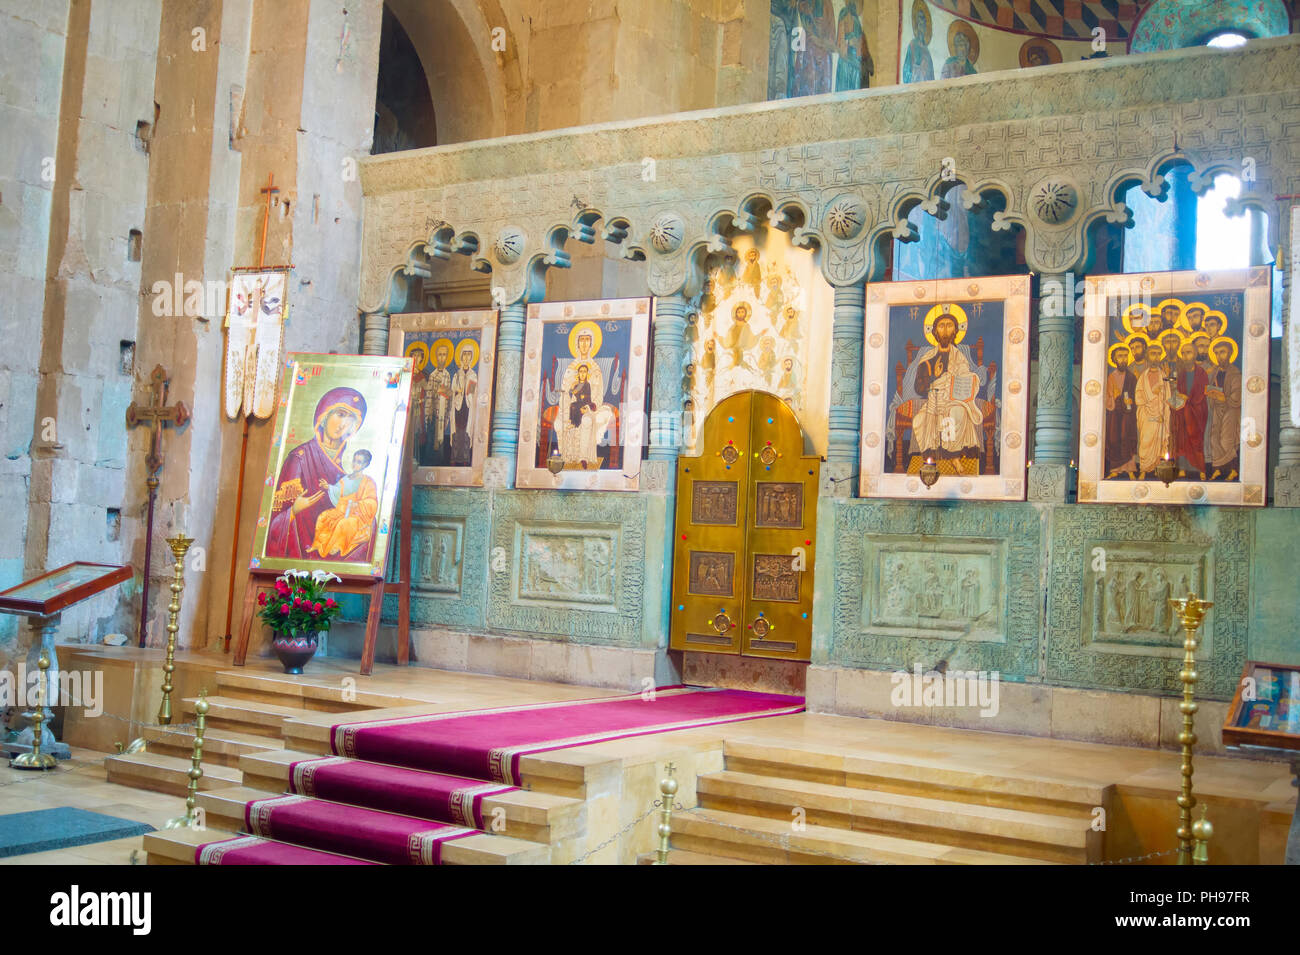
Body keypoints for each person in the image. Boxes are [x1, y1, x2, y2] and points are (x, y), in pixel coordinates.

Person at [266, 387, 373, 562]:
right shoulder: (300, 458)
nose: (342, 424)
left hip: (342, 551)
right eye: (339, 414)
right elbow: (274, 521)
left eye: (350, 419)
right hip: (301, 557)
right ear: (324, 415)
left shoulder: (352, 463)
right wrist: (294, 510)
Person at [906, 311, 983, 474]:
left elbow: (964, 378)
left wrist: (967, 379)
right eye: (941, 326)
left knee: (957, 412)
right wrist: (934, 377)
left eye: (949, 326)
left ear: (955, 331)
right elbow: (919, 388)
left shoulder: (959, 357)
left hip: (955, 400)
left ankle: (954, 457)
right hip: (934, 400)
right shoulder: (927, 358)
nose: (946, 330)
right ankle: (930, 458)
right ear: (935, 331)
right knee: (920, 420)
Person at [309, 450, 379, 559]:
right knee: (323, 516)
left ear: (365, 465)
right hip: (342, 510)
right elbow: (337, 491)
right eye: (354, 460)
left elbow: (372, 502)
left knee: (343, 523)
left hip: (358, 516)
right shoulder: (346, 478)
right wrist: (328, 487)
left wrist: (358, 504)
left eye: (359, 462)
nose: (355, 464)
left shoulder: (368, 482)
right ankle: (318, 544)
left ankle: (337, 546)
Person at [1205, 337, 1242, 480]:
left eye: (1223, 352)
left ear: (1230, 353)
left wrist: (1223, 398)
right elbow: (1210, 388)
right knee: (1213, 438)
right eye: (1217, 353)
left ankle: (1233, 470)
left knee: (1227, 440)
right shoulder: (1214, 372)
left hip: (1230, 411)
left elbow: (1237, 397)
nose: (1220, 356)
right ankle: (1218, 469)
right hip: (1216, 409)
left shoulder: (1235, 373)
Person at [1171, 341, 1208, 478]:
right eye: (1183, 353)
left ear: (1195, 354)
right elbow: (1177, 391)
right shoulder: (1181, 374)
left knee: (1196, 441)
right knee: (1181, 440)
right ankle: (1182, 468)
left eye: (1189, 352)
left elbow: (1202, 393)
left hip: (1196, 412)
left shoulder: (1201, 373)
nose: (1186, 356)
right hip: (1182, 412)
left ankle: (1200, 469)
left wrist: (1187, 399)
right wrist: (1176, 398)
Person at [1104, 342, 1138, 478]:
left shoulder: (1132, 377)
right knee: (1114, 440)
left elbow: (1137, 395)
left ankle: (1130, 470)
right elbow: (1107, 397)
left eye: (1125, 356)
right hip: (1115, 416)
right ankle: (1115, 470)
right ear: (1114, 359)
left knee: (1127, 439)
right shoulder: (1111, 377)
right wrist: (1115, 398)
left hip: (1128, 415)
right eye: (1120, 356)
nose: (1123, 359)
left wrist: (1132, 402)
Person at [449, 340, 478, 467]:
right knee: (457, 432)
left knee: (466, 432)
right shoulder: (456, 375)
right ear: (461, 356)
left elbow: (473, 391)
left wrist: (467, 392)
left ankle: (465, 459)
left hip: (467, 406)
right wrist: (457, 391)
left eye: (468, 354)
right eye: (464, 354)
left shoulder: (473, 375)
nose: (466, 357)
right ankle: (454, 459)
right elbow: (451, 391)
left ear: (471, 357)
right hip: (457, 407)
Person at [835, 0, 874, 92]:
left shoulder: (856, 19)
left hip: (854, 64)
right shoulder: (845, 13)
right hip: (849, 65)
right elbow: (840, 44)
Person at [901, 1, 934, 83]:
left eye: (923, 18)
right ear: (916, 23)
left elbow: (932, 77)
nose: (922, 22)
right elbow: (907, 72)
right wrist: (919, 68)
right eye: (920, 18)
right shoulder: (913, 45)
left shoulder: (927, 51)